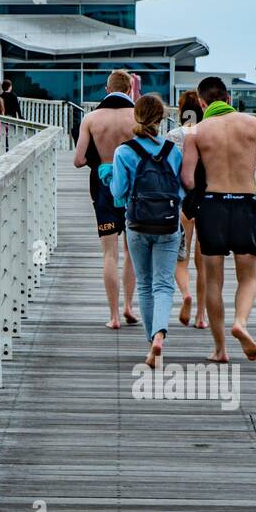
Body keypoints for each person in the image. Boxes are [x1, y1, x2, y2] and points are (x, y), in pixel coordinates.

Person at [181, 76, 256, 363]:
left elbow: (187, 179)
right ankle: (241, 323)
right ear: (229, 99)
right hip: (245, 204)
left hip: (211, 207)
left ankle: (220, 349)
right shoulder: (252, 124)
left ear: (201, 103)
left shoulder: (195, 131)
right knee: (247, 278)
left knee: (213, 281)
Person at [111, 94, 186, 368]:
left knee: (144, 283)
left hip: (137, 224)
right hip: (168, 223)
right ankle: (160, 335)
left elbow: (119, 193)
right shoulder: (173, 150)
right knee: (164, 284)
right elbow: (180, 190)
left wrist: (110, 181)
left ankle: (151, 340)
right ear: (161, 118)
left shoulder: (124, 151)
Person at [73, 70, 140, 328]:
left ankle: (113, 316)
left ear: (106, 89)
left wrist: (101, 164)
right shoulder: (138, 117)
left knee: (109, 254)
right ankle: (128, 307)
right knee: (131, 251)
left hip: (104, 188)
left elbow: (78, 160)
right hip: (135, 188)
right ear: (130, 90)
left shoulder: (91, 118)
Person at [166, 90, 206, 329]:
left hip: (180, 202)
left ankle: (185, 294)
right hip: (206, 200)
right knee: (204, 262)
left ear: (182, 111)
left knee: (181, 257)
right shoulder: (208, 134)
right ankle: (201, 316)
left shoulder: (173, 136)